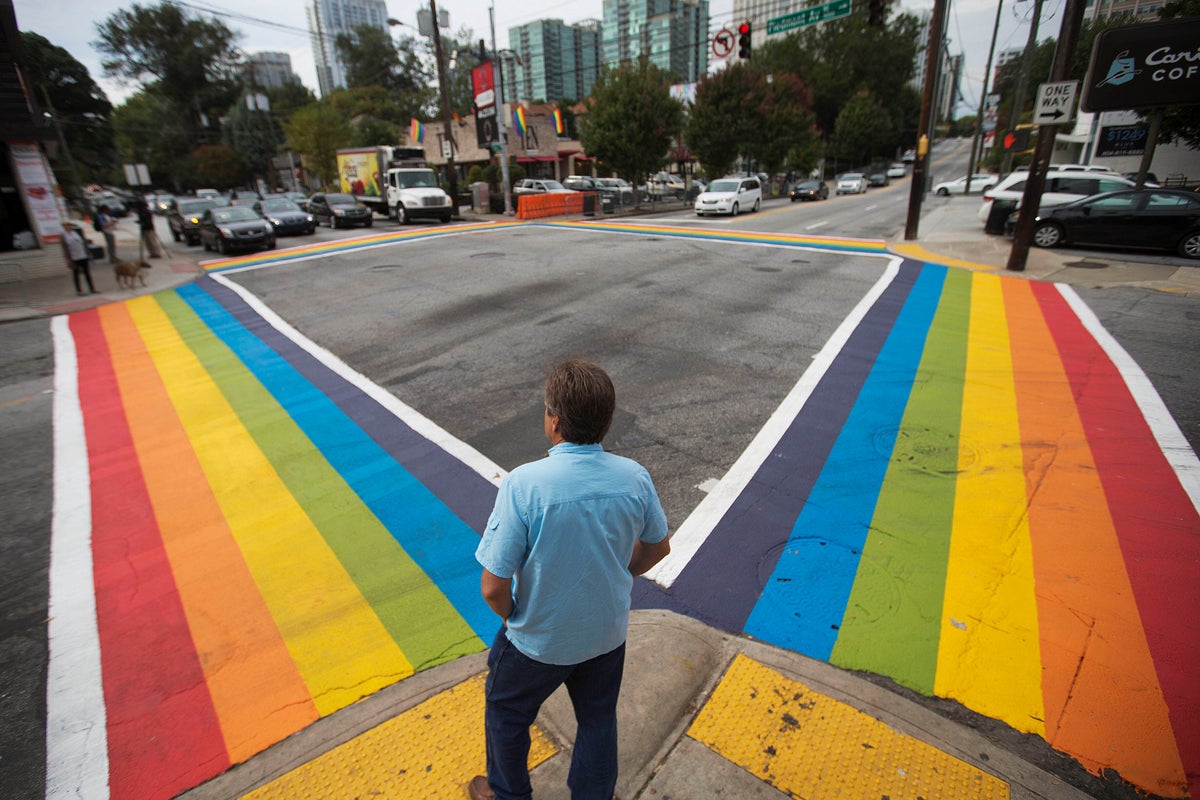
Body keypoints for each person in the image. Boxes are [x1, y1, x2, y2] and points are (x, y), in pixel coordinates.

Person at [470, 359, 671, 800]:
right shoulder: (634, 478)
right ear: (606, 420)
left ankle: (507, 792)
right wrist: (622, 571)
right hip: (605, 634)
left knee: (507, 713)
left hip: (537, 641)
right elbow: (658, 547)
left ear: (554, 422)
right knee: (598, 719)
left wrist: (514, 618)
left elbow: (493, 586)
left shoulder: (525, 485)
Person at [61, 222, 97, 295]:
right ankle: (79, 290)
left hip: (83, 255)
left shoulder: (76, 232)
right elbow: (64, 248)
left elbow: (84, 242)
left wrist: (88, 252)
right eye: (65, 225)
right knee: (76, 273)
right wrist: (67, 259)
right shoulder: (63, 235)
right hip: (74, 257)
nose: (67, 227)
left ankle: (92, 289)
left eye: (68, 225)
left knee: (87, 273)